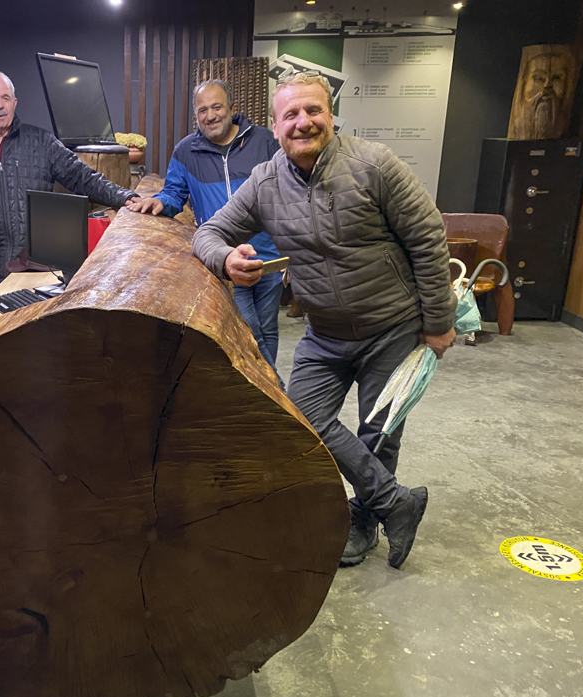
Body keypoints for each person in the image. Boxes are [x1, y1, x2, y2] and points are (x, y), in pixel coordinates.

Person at [192, 73, 457, 569]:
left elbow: (428, 239)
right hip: (325, 333)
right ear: (274, 127)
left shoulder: (374, 165)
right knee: (303, 421)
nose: (303, 122)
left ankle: (365, 517)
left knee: (379, 433)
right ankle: (397, 503)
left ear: (330, 115)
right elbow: (209, 231)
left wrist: (438, 323)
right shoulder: (265, 182)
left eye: (313, 111)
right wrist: (226, 258)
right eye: (290, 115)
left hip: (391, 326)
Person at [0, 71, 140, 302]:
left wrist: (122, 196)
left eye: (5, 98)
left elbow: (82, 176)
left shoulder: (41, 142)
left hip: (36, 267)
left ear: (14, 103)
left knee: (36, 334)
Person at [129, 80, 284, 374]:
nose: (210, 115)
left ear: (232, 109)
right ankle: (274, 389)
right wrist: (161, 202)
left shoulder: (265, 142)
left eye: (216, 107)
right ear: (196, 116)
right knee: (248, 329)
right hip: (224, 259)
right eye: (203, 110)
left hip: (268, 256)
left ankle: (266, 391)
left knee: (267, 328)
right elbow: (174, 193)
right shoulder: (186, 151)